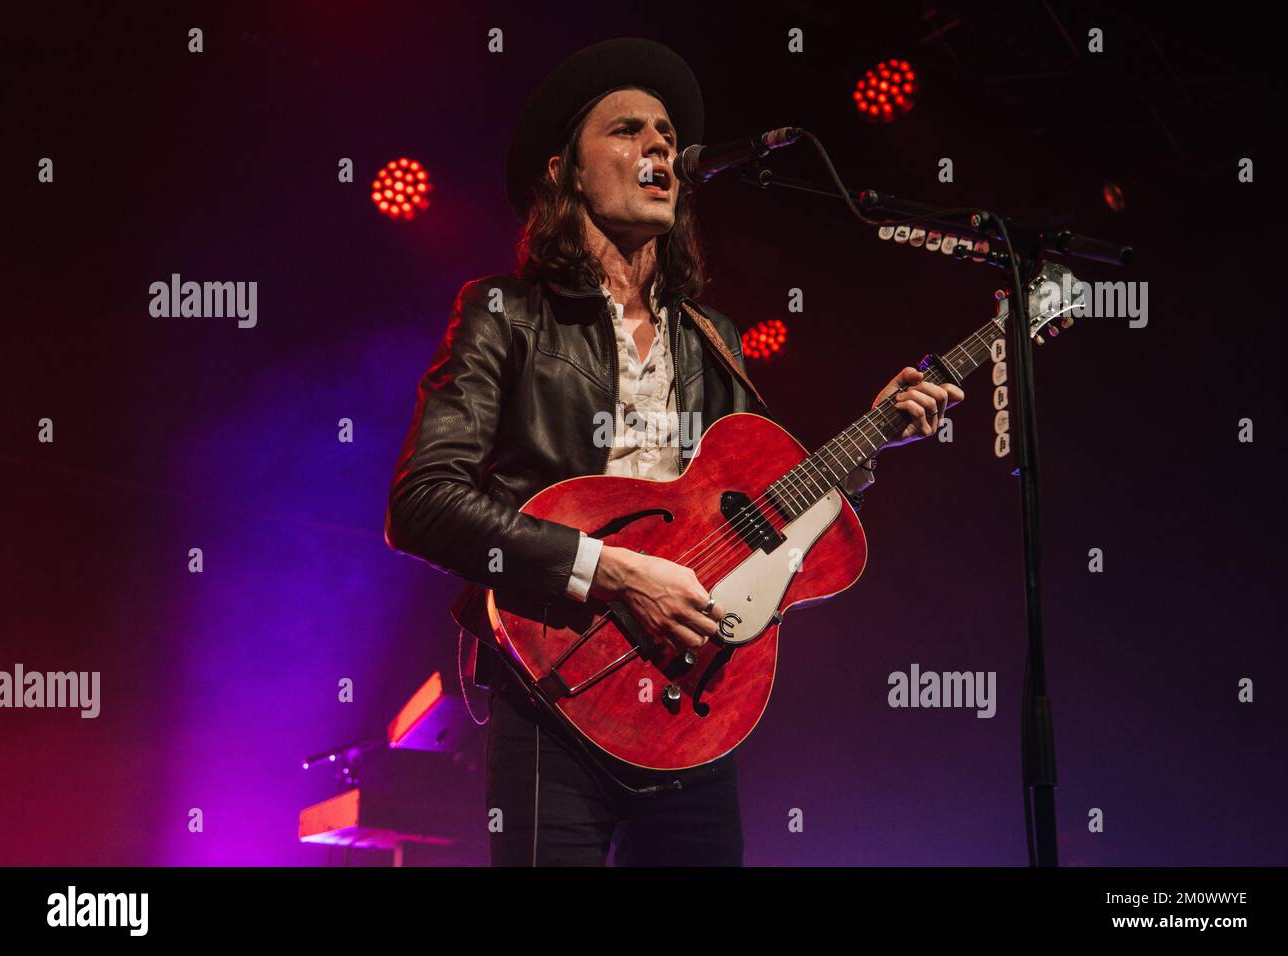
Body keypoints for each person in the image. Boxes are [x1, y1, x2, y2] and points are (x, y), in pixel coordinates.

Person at [385, 37, 963, 866]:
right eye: (626, 131)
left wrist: (868, 443)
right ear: (566, 173)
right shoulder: (504, 313)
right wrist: (612, 571)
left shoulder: (713, 339)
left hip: (693, 699)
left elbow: (765, 517)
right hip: (558, 684)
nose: (658, 146)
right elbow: (423, 503)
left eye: (665, 133)